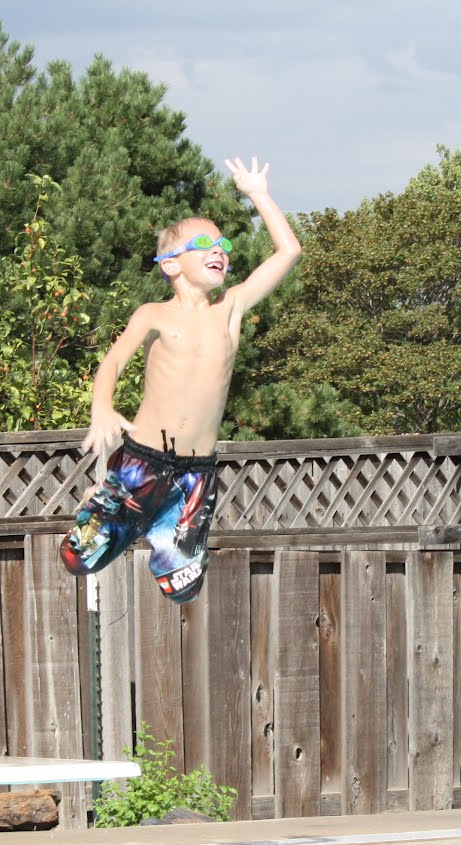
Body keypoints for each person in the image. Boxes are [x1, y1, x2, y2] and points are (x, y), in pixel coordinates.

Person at [61, 156, 301, 602]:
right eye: (204, 243)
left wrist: (259, 195)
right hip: (142, 462)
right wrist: (102, 408)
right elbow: (112, 362)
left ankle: (152, 526)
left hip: (196, 474)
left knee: (182, 590)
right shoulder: (153, 314)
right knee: (77, 559)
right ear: (171, 265)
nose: (219, 251)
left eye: (223, 244)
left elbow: (289, 252)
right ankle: (110, 497)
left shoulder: (230, 309)